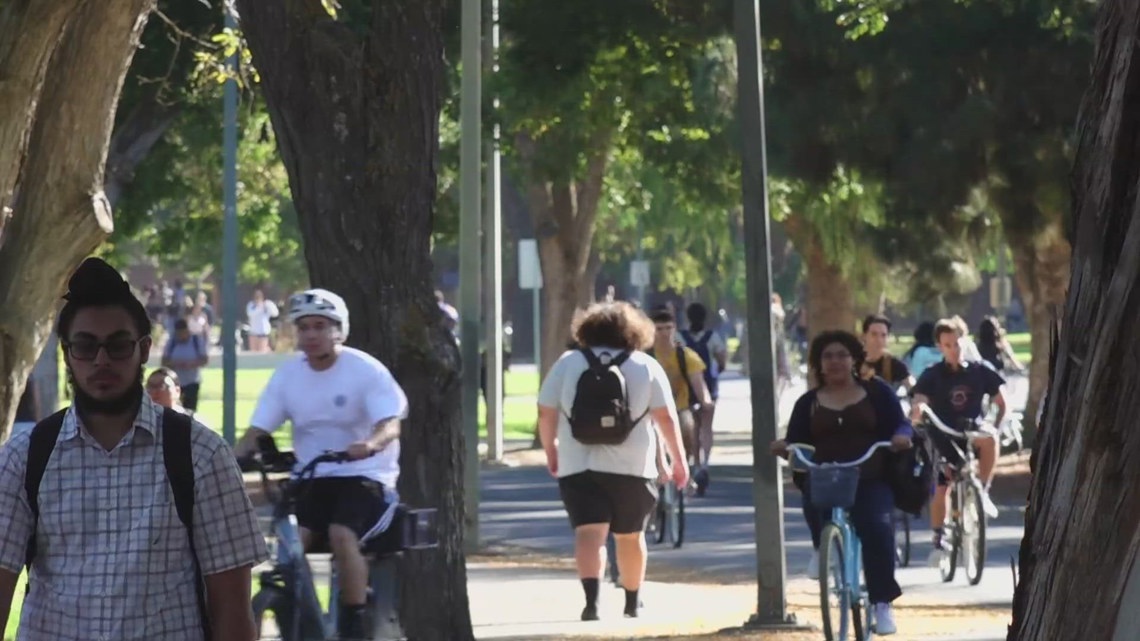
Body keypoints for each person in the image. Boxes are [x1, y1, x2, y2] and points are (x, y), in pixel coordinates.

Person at [0, 257, 264, 640]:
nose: (101, 360)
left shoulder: (201, 454)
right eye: (86, 346)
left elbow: (233, 612)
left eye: (118, 346)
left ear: (144, 349)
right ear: (67, 353)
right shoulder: (23, 458)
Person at [234, 288, 407, 640]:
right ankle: (301, 617)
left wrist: (369, 444)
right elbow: (257, 428)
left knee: (342, 534)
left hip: (364, 476)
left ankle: (354, 620)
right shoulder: (288, 376)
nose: (311, 335)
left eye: (320, 326)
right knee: (288, 541)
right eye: (304, 327)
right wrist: (233, 457)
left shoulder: (364, 370)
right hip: (314, 476)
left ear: (338, 330)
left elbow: (391, 423)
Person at [537, 301, 689, 621]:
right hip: (633, 467)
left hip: (579, 465)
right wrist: (678, 461)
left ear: (586, 329)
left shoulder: (567, 363)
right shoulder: (644, 365)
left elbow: (546, 411)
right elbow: (666, 418)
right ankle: (632, 602)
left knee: (589, 534)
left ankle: (591, 602)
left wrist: (552, 451)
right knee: (631, 536)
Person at [770, 330, 912, 635]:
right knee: (812, 499)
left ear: (854, 360)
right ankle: (822, 548)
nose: (835, 361)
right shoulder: (809, 402)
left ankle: (882, 604)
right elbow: (796, 439)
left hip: (871, 478)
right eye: (827, 356)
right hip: (826, 478)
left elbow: (901, 423)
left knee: (877, 528)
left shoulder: (877, 393)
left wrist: (902, 437)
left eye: (841, 355)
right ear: (819, 364)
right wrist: (784, 446)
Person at [911, 319, 1004, 563]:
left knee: (990, 439)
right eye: (948, 344)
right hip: (943, 436)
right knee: (943, 486)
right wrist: (918, 409)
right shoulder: (932, 375)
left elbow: (1001, 402)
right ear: (940, 347)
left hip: (972, 432)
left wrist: (995, 422)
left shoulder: (980, 370)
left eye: (957, 342)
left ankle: (982, 491)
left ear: (965, 340)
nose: (954, 348)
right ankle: (939, 539)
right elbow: (919, 399)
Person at [648, 308, 714, 494]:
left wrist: (706, 403)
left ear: (675, 329)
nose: (664, 333)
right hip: (649, 412)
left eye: (668, 328)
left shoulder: (686, 357)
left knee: (687, 424)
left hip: (679, 409)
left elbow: (700, 387)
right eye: (659, 329)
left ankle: (685, 468)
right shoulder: (644, 357)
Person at [679, 303, 727, 491]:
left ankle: (696, 462)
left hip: (687, 388)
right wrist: (717, 371)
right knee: (707, 426)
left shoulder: (680, 337)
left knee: (693, 426)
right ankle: (705, 462)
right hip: (708, 387)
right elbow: (722, 358)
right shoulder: (712, 337)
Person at [162, 318, 208, 412]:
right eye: (179, 334)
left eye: (183, 333)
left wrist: (192, 364)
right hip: (175, 383)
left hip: (192, 382)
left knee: (190, 410)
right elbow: (164, 361)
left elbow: (204, 359)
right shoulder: (172, 342)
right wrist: (174, 364)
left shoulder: (196, 341)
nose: (181, 336)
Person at [859, 314, 914, 391]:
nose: (879, 340)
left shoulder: (894, 364)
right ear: (864, 336)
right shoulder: (852, 361)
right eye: (874, 334)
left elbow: (912, 388)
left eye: (883, 335)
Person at [245, 288, 279, 353]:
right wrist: (259, 307)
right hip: (253, 332)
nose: (257, 298)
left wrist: (268, 306)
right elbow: (250, 314)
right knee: (253, 353)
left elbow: (275, 313)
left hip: (263, 333)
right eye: (256, 296)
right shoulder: (251, 305)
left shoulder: (267, 304)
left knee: (262, 352)